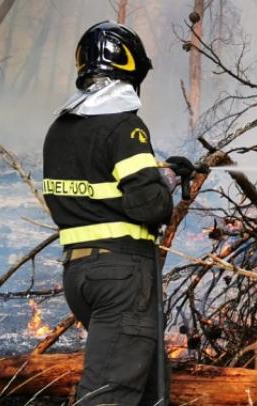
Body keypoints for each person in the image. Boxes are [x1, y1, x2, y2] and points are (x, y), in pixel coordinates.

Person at [42, 20, 195, 405]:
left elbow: (101, 184)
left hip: (79, 273)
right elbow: (149, 206)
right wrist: (166, 183)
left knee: (149, 390)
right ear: (131, 72)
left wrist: (160, 173)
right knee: (109, 395)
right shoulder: (125, 126)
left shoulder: (60, 130)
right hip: (122, 277)